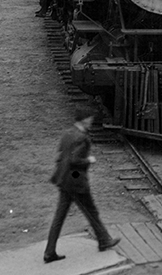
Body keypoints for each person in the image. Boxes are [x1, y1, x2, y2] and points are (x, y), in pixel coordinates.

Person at [43, 105, 119, 263]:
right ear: (84, 120)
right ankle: (104, 240)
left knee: (59, 217)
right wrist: (88, 160)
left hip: (63, 179)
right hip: (76, 181)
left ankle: (49, 252)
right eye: (90, 119)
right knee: (91, 211)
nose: (91, 121)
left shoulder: (67, 133)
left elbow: (62, 156)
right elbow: (74, 160)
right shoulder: (82, 138)